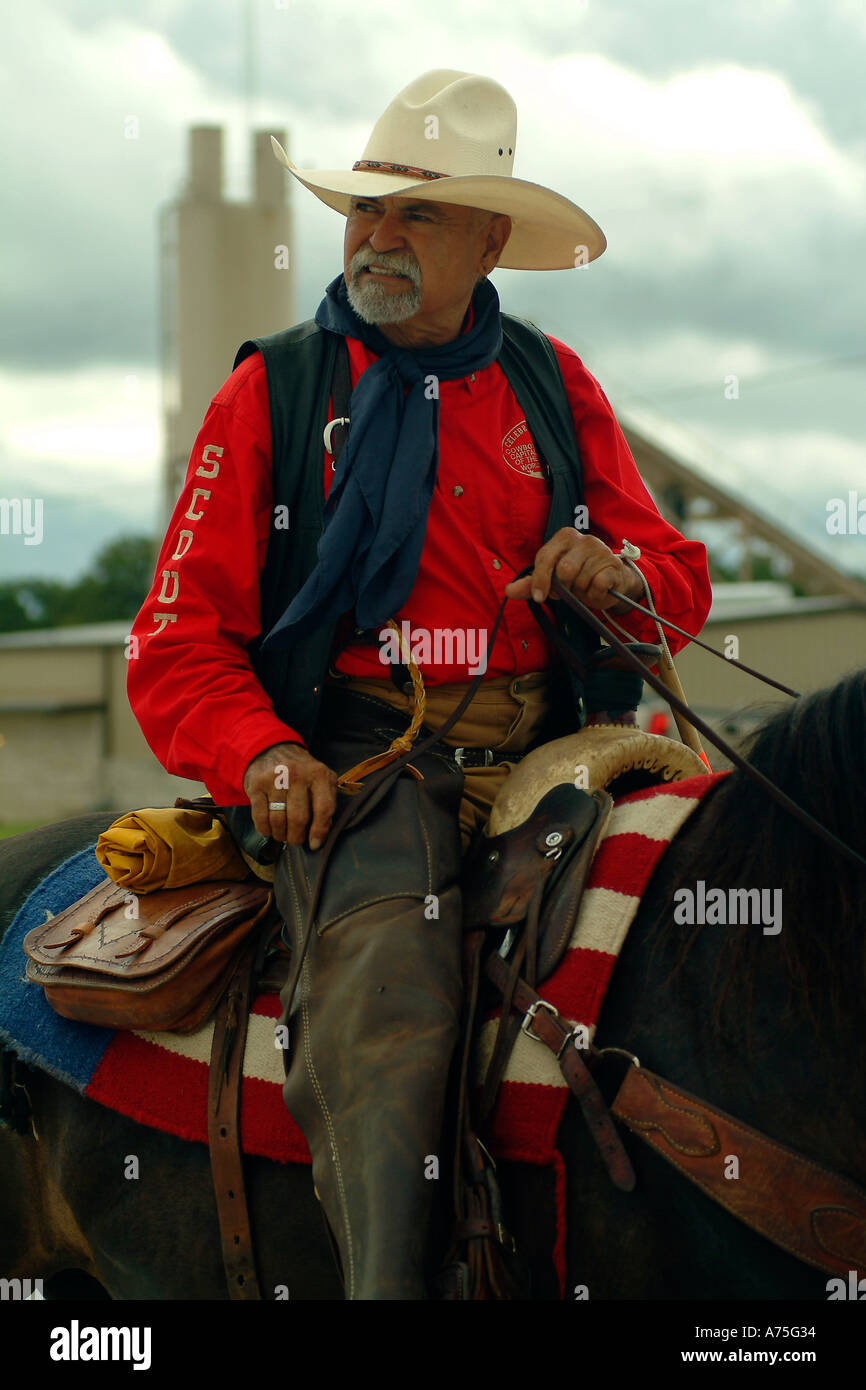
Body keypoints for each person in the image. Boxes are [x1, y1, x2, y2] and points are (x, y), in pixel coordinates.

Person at [128, 69, 711, 1299]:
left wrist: (613, 574)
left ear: (490, 240)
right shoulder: (273, 392)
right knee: (389, 1023)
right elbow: (175, 636)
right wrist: (261, 754)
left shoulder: (554, 388)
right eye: (366, 213)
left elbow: (673, 581)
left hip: (563, 756)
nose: (379, 240)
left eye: (421, 217)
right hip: (358, 769)